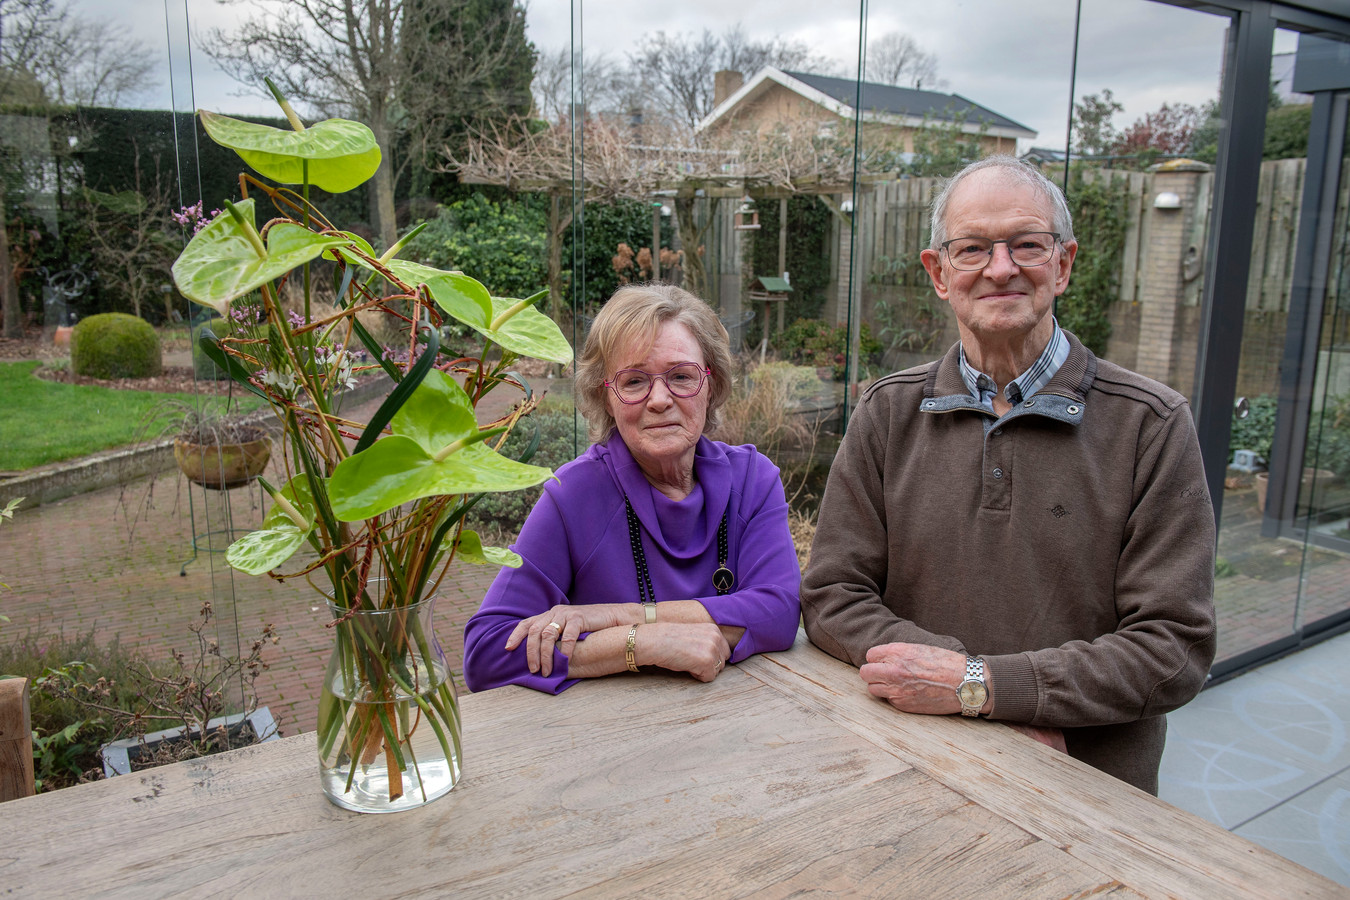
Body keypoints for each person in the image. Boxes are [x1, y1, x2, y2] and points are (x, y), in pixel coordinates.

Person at [800, 156, 1217, 794]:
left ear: (1063, 263)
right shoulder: (887, 412)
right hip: (915, 766)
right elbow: (833, 595)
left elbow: (1173, 648)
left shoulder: (1151, 425)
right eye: (972, 249)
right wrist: (963, 695)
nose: (1001, 268)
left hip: (1083, 793)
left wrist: (984, 688)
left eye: (1027, 244)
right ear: (939, 274)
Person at [464, 283, 801, 694]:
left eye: (681, 376)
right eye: (635, 381)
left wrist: (614, 617)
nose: (659, 399)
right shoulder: (574, 496)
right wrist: (636, 644)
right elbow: (485, 652)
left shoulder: (753, 479)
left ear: (711, 385)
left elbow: (780, 611)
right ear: (607, 397)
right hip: (609, 739)